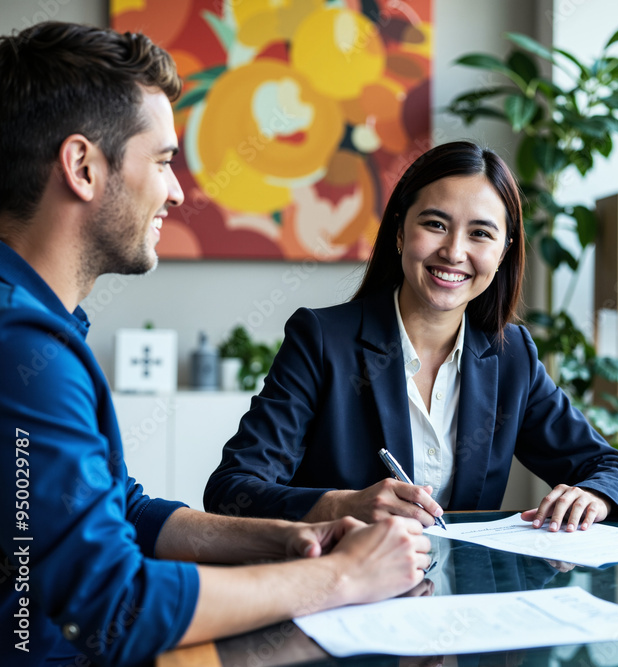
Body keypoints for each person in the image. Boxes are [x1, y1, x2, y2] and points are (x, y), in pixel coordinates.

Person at [0, 22, 430, 667]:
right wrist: (341, 577)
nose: (177, 190)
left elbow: (125, 511)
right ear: (83, 167)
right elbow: (112, 608)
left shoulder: (34, 326)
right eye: (163, 161)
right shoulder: (23, 347)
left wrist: (290, 539)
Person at [204, 141, 618, 532]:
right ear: (399, 231)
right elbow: (231, 490)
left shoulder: (511, 355)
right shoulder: (321, 340)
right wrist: (343, 506)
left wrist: (592, 495)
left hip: (461, 587)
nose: (454, 252)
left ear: (503, 251)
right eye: (435, 224)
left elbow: (607, 467)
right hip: (344, 578)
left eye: (480, 233)